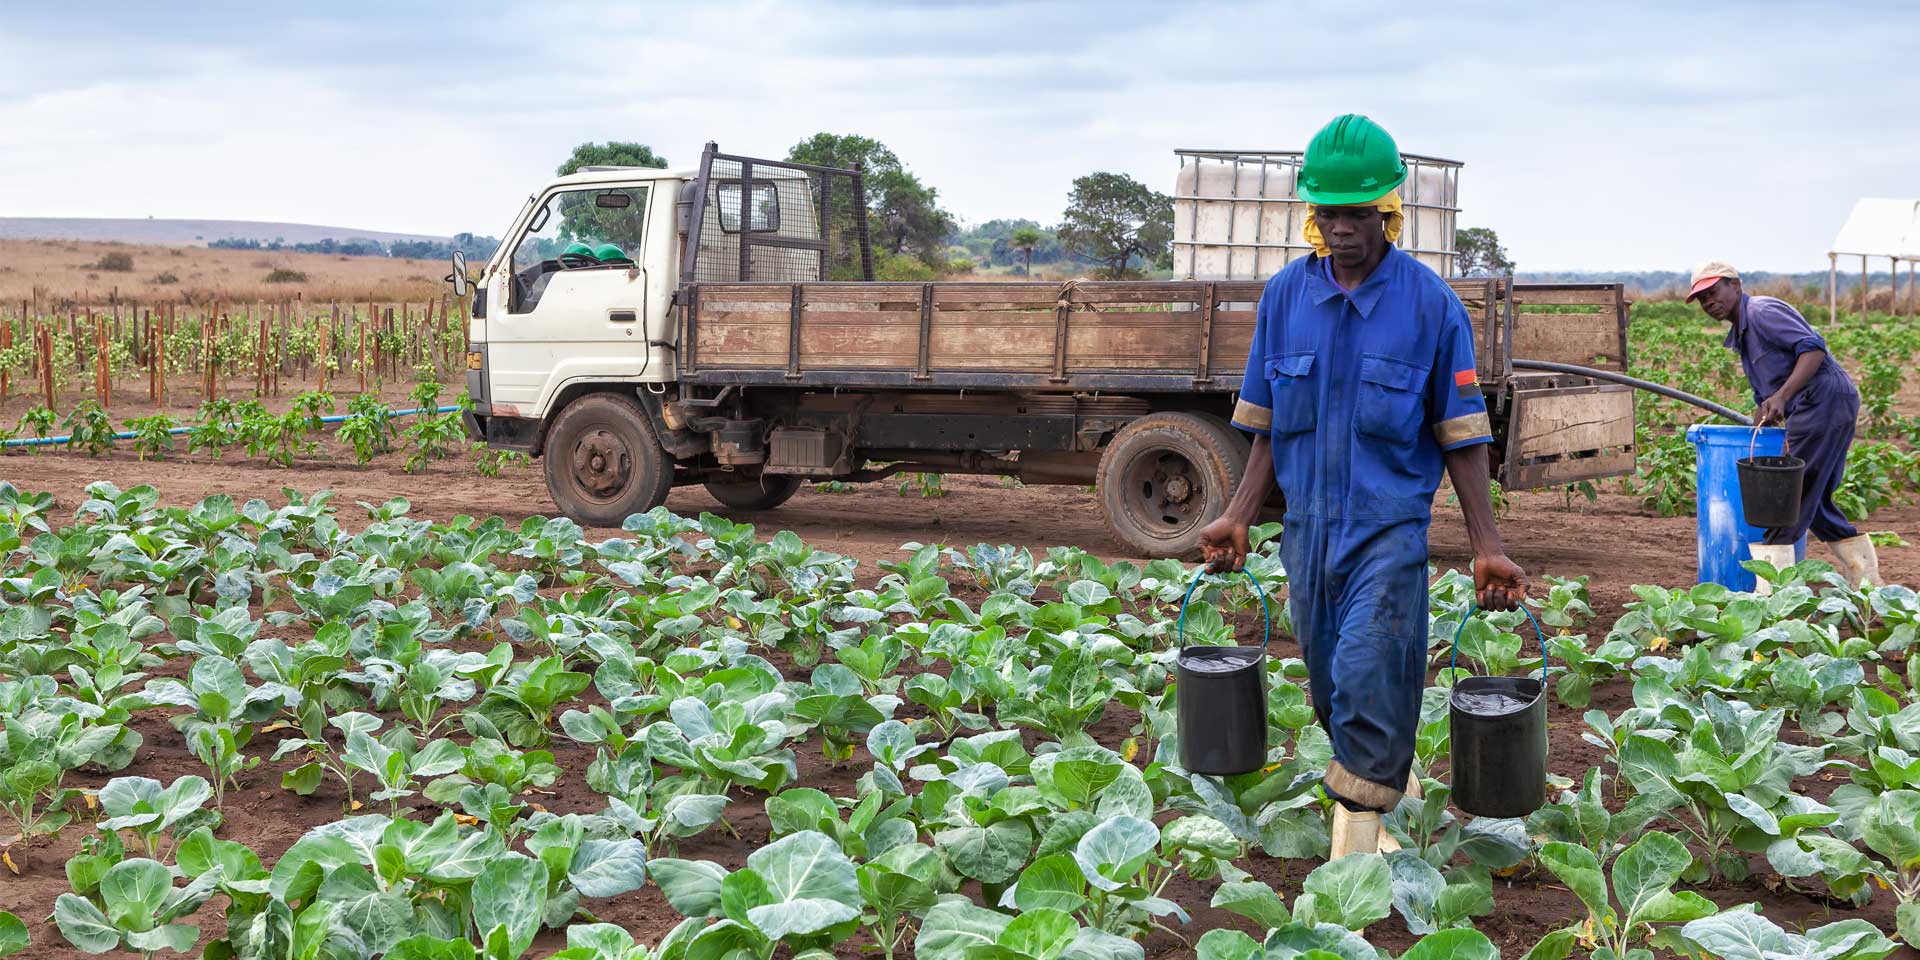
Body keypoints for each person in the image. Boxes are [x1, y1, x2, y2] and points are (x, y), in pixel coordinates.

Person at [1197, 114, 1526, 859]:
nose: (1341, 227)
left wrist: (1487, 548)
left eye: (1356, 213)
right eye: (1328, 212)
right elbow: (1268, 423)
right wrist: (1238, 517)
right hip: (1307, 531)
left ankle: (1357, 847)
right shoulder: (1285, 297)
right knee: (1328, 687)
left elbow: (1464, 439)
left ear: (1388, 213)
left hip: (1389, 528)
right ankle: (1392, 790)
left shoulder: (1430, 306)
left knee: (1370, 667)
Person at [1686, 261, 1878, 588]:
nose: (1709, 303)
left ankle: (1770, 598)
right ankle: (1868, 583)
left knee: (1788, 499)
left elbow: (1813, 348)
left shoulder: (1762, 312)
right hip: (1818, 407)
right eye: (1702, 299)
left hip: (1822, 403)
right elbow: (1772, 387)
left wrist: (1782, 396)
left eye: (1713, 292)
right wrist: (1769, 406)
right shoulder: (1743, 335)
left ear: (1736, 285)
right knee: (1812, 500)